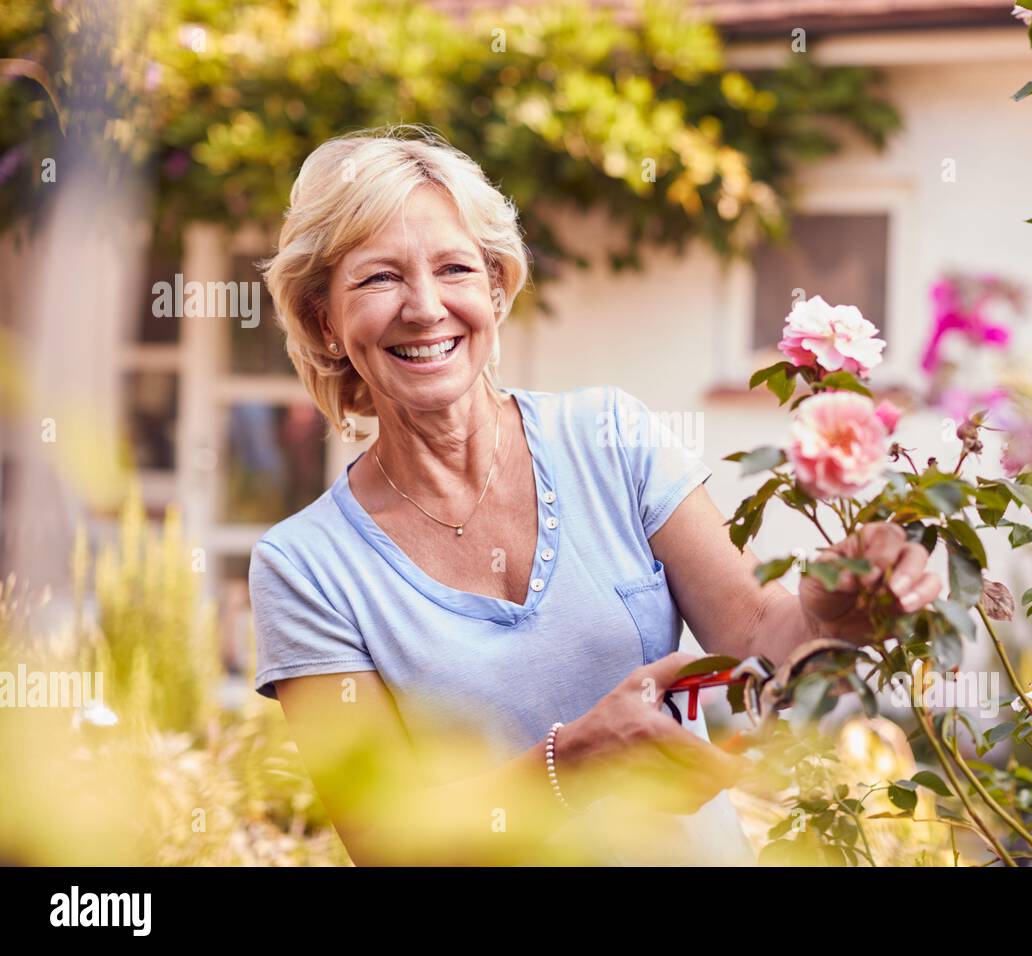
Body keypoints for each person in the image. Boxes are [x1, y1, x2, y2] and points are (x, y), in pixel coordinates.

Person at [251, 125, 942, 865]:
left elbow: (755, 638)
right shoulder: (306, 567)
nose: (424, 308)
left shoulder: (609, 437)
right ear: (325, 318)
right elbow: (387, 844)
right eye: (379, 278)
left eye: (454, 268)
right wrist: (572, 762)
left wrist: (830, 610)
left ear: (494, 285)